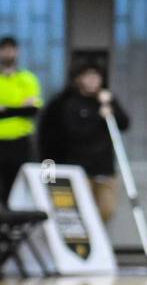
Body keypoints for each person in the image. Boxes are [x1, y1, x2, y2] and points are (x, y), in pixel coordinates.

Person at [38, 60, 130, 223]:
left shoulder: (106, 100)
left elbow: (124, 124)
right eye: (88, 76)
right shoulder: (68, 103)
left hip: (104, 168)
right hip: (80, 168)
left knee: (107, 209)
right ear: (79, 79)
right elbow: (74, 133)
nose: (93, 81)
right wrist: (98, 118)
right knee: (81, 209)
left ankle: (98, 241)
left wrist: (111, 108)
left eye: (96, 77)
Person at [0, 36, 42, 205]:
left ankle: (12, 228)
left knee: (17, 188)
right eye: (4, 49)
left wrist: (6, 109)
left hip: (19, 142)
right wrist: (18, 108)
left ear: (17, 52)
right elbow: (24, 109)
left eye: (11, 49)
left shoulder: (28, 79)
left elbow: (32, 110)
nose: (8, 53)